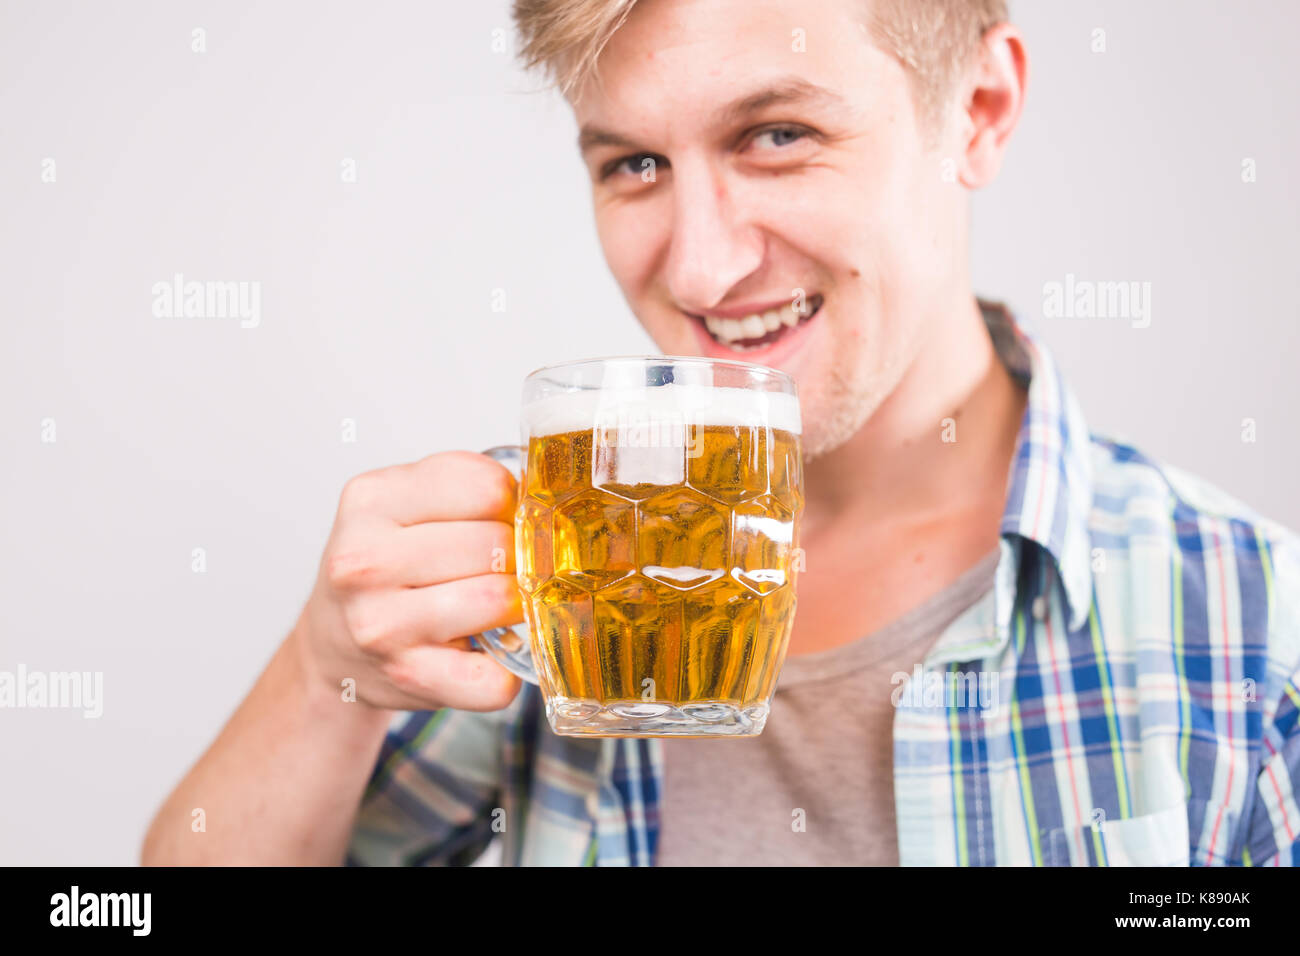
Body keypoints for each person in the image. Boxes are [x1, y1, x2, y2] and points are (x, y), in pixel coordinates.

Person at [141, 0, 1300, 866]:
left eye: (778, 135)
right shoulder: (561, 568)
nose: (698, 268)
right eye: (634, 163)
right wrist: (321, 671)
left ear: (979, 111)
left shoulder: (1256, 626)